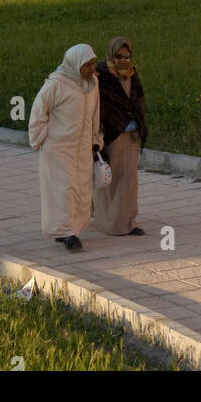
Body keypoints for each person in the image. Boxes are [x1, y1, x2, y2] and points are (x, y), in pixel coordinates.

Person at [28, 43, 102, 252]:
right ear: (75, 65)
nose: (91, 68)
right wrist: (41, 138)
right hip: (59, 149)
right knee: (64, 191)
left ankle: (66, 229)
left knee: (80, 189)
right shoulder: (56, 84)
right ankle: (69, 234)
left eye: (93, 63)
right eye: (87, 65)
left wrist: (95, 139)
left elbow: (95, 113)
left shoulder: (92, 84)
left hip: (82, 148)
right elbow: (38, 112)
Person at [93, 37, 148, 236]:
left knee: (129, 179)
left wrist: (138, 121)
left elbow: (139, 99)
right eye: (119, 56)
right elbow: (98, 106)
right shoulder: (102, 75)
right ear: (111, 55)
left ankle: (128, 222)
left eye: (127, 56)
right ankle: (107, 221)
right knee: (109, 179)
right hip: (111, 135)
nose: (123, 60)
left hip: (131, 134)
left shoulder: (133, 74)